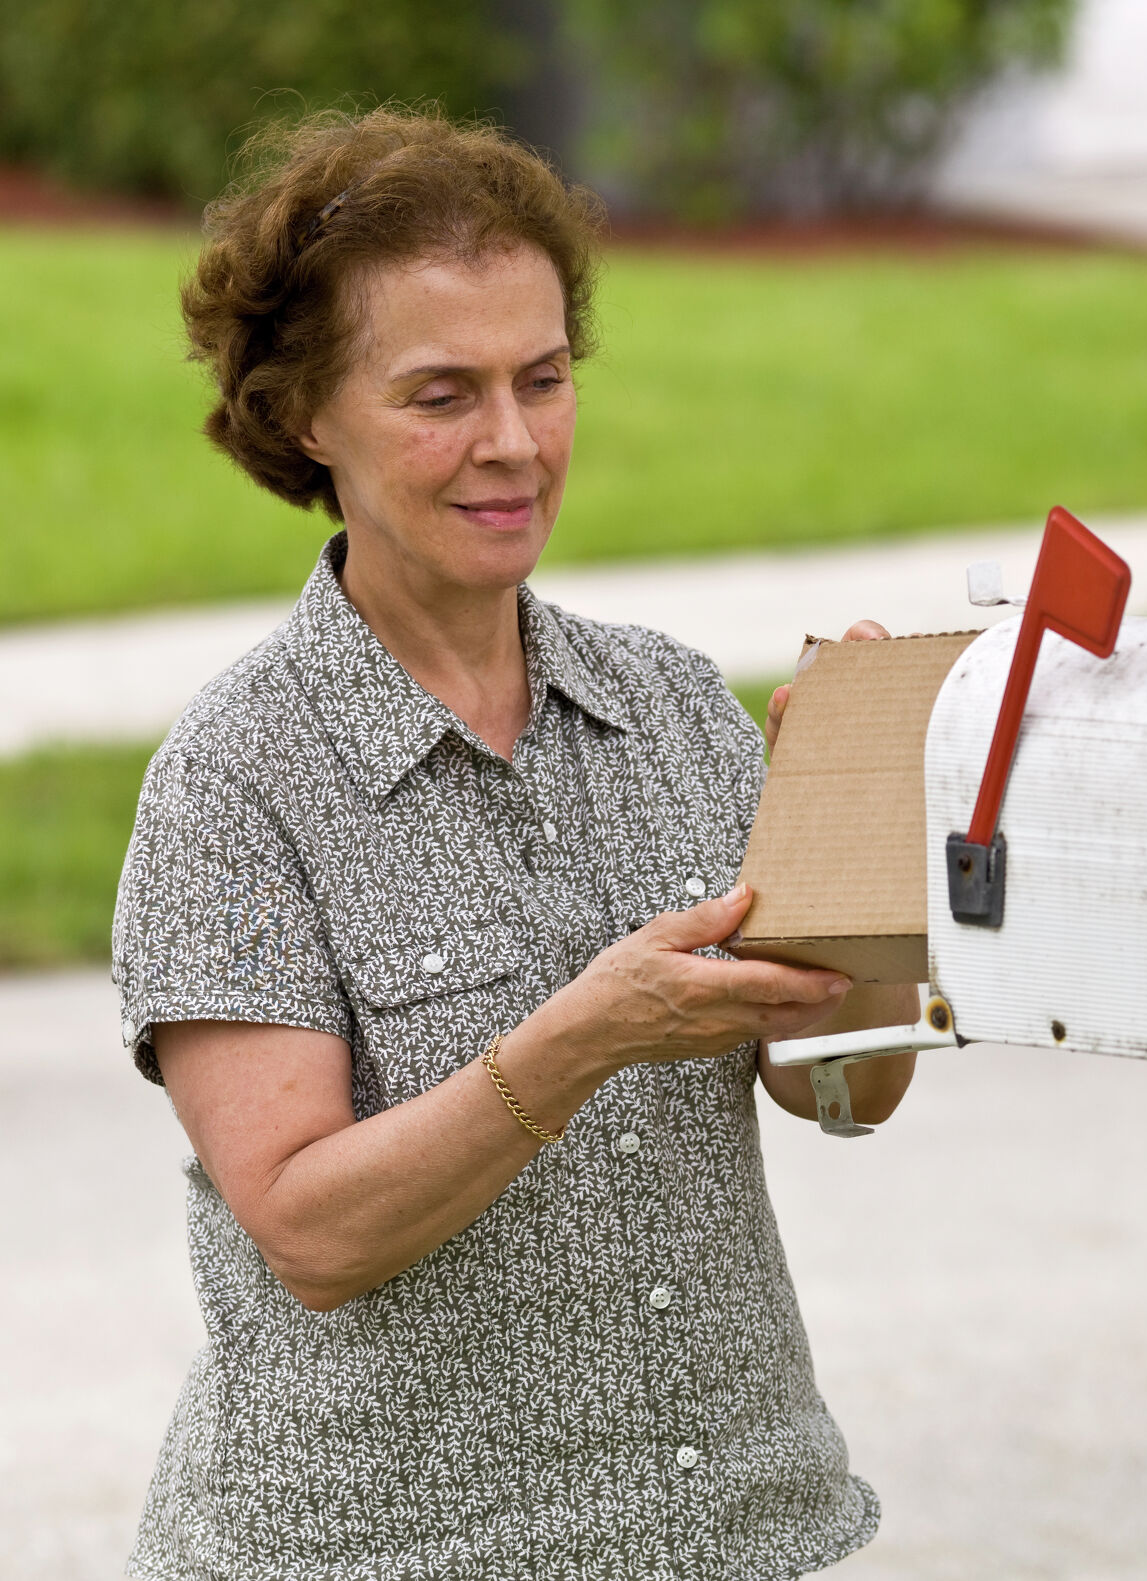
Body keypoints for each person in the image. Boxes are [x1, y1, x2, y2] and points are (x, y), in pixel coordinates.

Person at [112, 106, 915, 1579]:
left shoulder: (671, 703)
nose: (513, 443)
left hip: (732, 1533)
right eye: (441, 394)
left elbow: (846, 1089)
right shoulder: (233, 785)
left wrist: (858, 833)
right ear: (307, 415)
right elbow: (310, 1234)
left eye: (543, 379)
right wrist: (581, 1038)